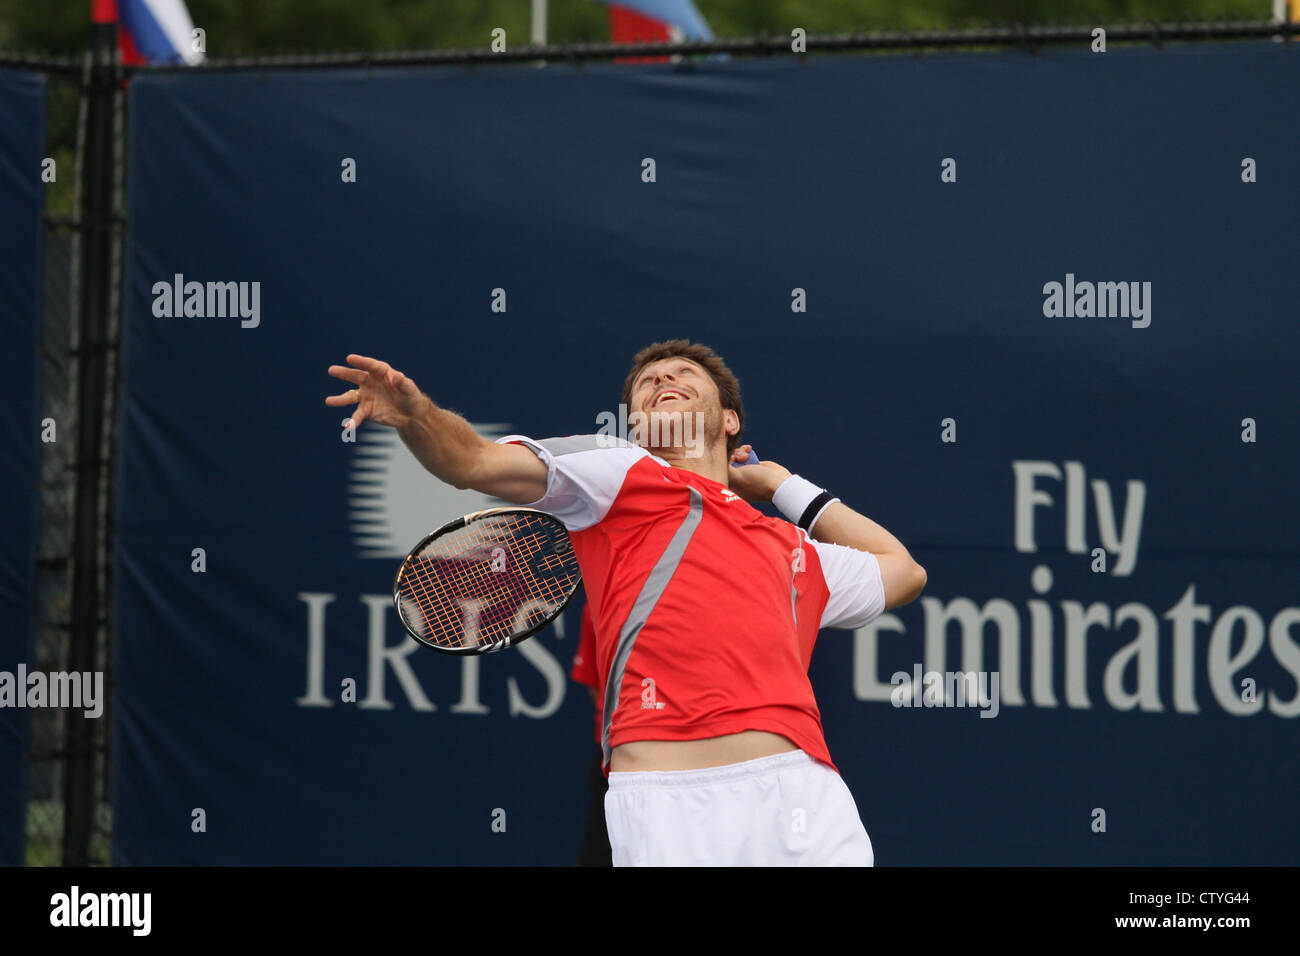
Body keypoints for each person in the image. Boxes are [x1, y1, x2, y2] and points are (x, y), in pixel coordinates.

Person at [325, 339, 927, 866]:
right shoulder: (619, 472)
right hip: (667, 804)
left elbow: (904, 571)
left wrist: (778, 485)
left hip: (802, 794)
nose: (664, 380)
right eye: (647, 382)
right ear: (635, 426)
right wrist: (415, 415)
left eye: (684, 375)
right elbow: (472, 461)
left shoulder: (790, 546)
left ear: (730, 420)